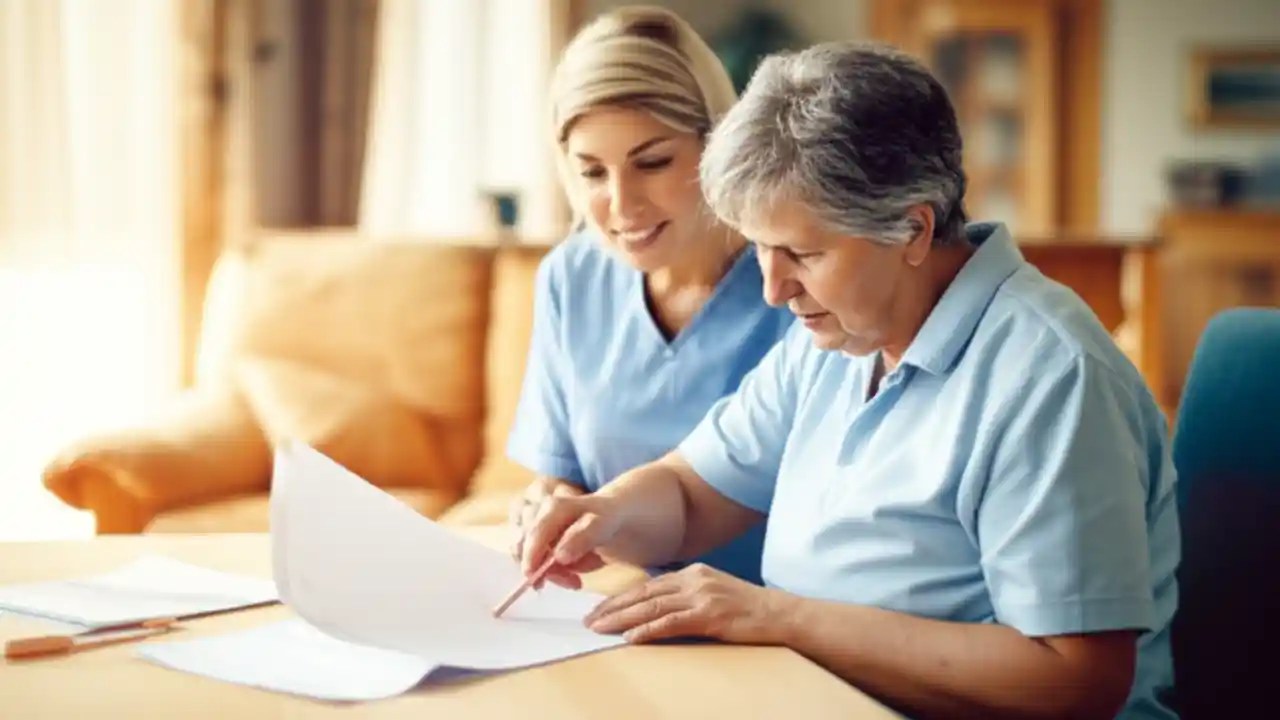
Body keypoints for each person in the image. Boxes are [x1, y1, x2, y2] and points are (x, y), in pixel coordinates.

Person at [517, 42, 1180, 720]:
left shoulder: (1050, 377)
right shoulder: (839, 339)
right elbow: (691, 495)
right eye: (761, 250)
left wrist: (781, 618)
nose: (774, 290)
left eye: (802, 253)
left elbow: (1073, 681)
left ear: (913, 228)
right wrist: (604, 513)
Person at [505, 6, 793, 584]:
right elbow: (564, 476)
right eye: (591, 172)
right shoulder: (572, 276)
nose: (622, 204)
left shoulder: (794, 277)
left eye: (653, 162)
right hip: (620, 602)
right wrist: (553, 508)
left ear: (717, 143)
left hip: (769, 613)